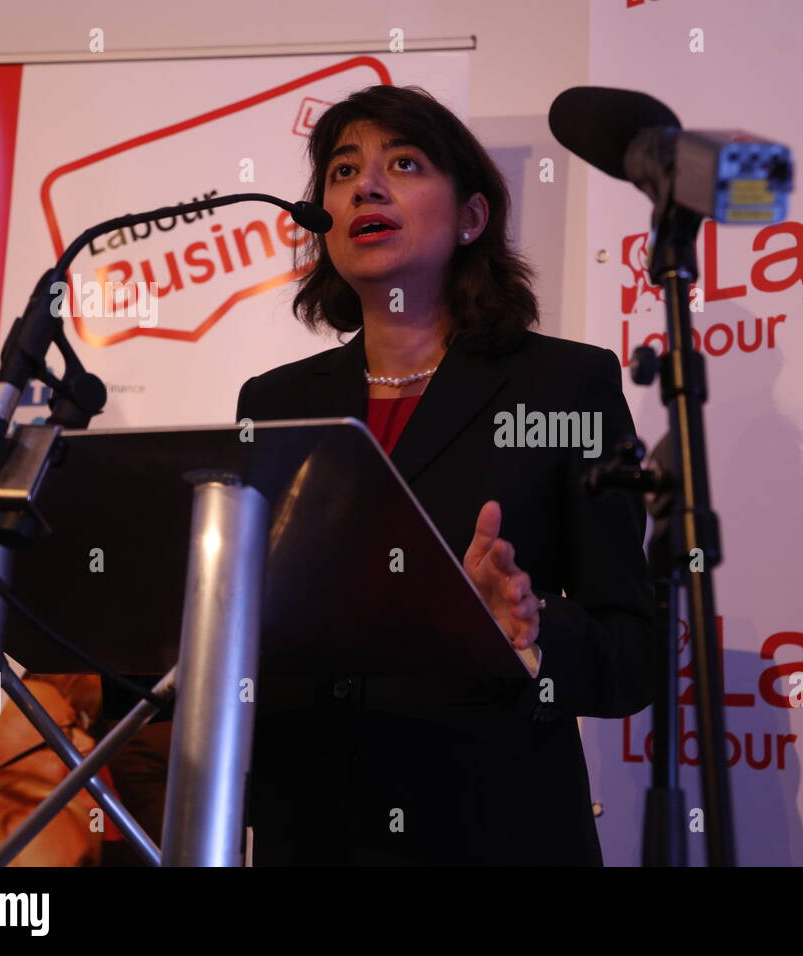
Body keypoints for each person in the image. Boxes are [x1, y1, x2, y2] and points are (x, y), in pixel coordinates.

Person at [235, 84, 658, 865]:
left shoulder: (565, 389)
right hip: (314, 830)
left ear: (471, 218)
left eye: (404, 162)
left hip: (494, 829)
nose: (365, 185)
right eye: (341, 170)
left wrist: (528, 634)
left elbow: (633, 654)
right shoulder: (276, 402)